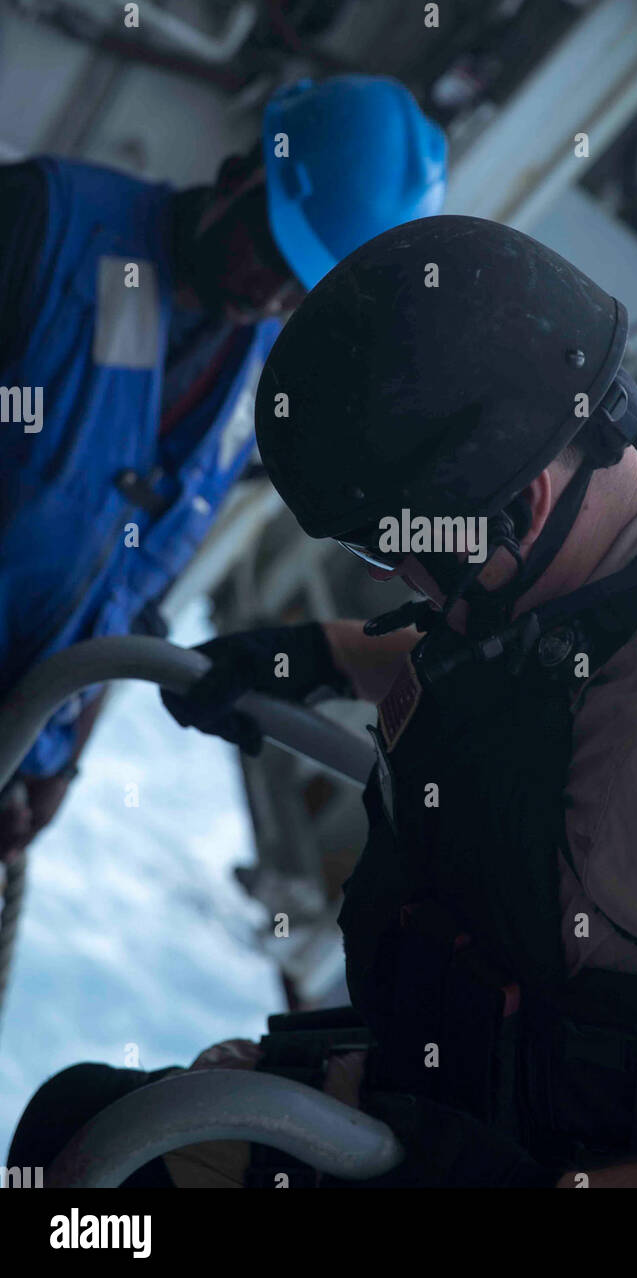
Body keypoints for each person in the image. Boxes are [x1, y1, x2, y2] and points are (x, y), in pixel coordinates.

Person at [11, 215, 637, 1188]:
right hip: (445, 1093)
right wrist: (317, 657)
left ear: (517, 509)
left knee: (96, 1170)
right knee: (76, 1129)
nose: (397, 579)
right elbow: (553, 668)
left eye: (389, 548)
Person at [0, 75, 448, 860]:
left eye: (300, 287)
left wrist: (57, 770)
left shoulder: (259, 394)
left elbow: (133, 589)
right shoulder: (39, 227)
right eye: (272, 250)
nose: (270, 294)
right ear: (242, 173)